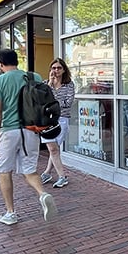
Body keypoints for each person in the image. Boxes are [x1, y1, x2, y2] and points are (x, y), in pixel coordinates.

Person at [0, 48, 58, 225]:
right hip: (31, 130)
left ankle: (11, 213)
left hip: (9, 132)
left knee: (4, 172)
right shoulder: (33, 76)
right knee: (30, 171)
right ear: (17, 61)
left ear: (0, 63)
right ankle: (43, 194)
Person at [40, 58, 75, 188]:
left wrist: (52, 101)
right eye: (53, 68)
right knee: (53, 148)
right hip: (46, 120)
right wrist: (50, 84)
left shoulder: (69, 85)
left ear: (64, 70)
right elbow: (42, 100)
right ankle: (61, 176)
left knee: (54, 149)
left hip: (62, 119)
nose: (56, 70)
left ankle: (48, 172)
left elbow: (68, 103)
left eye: (59, 68)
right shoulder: (45, 84)